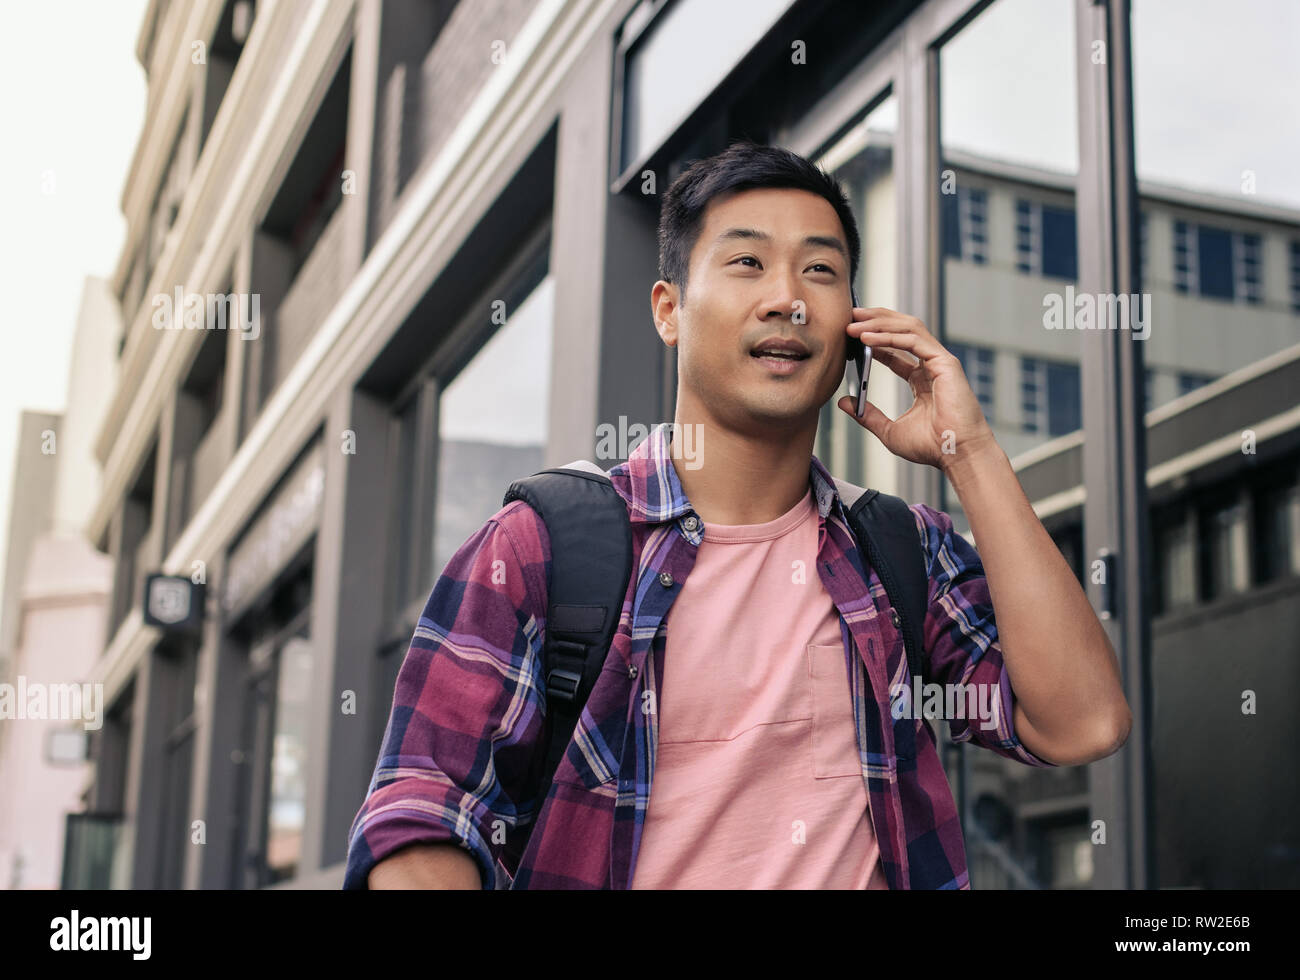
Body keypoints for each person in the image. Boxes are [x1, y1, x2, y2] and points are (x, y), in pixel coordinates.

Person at [344, 139, 1131, 890]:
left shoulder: (899, 552)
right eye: (748, 262)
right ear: (669, 310)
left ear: (855, 325)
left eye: (820, 271)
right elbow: (425, 818)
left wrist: (972, 451)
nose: (787, 298)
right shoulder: (542, 547)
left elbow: (1082, 722)